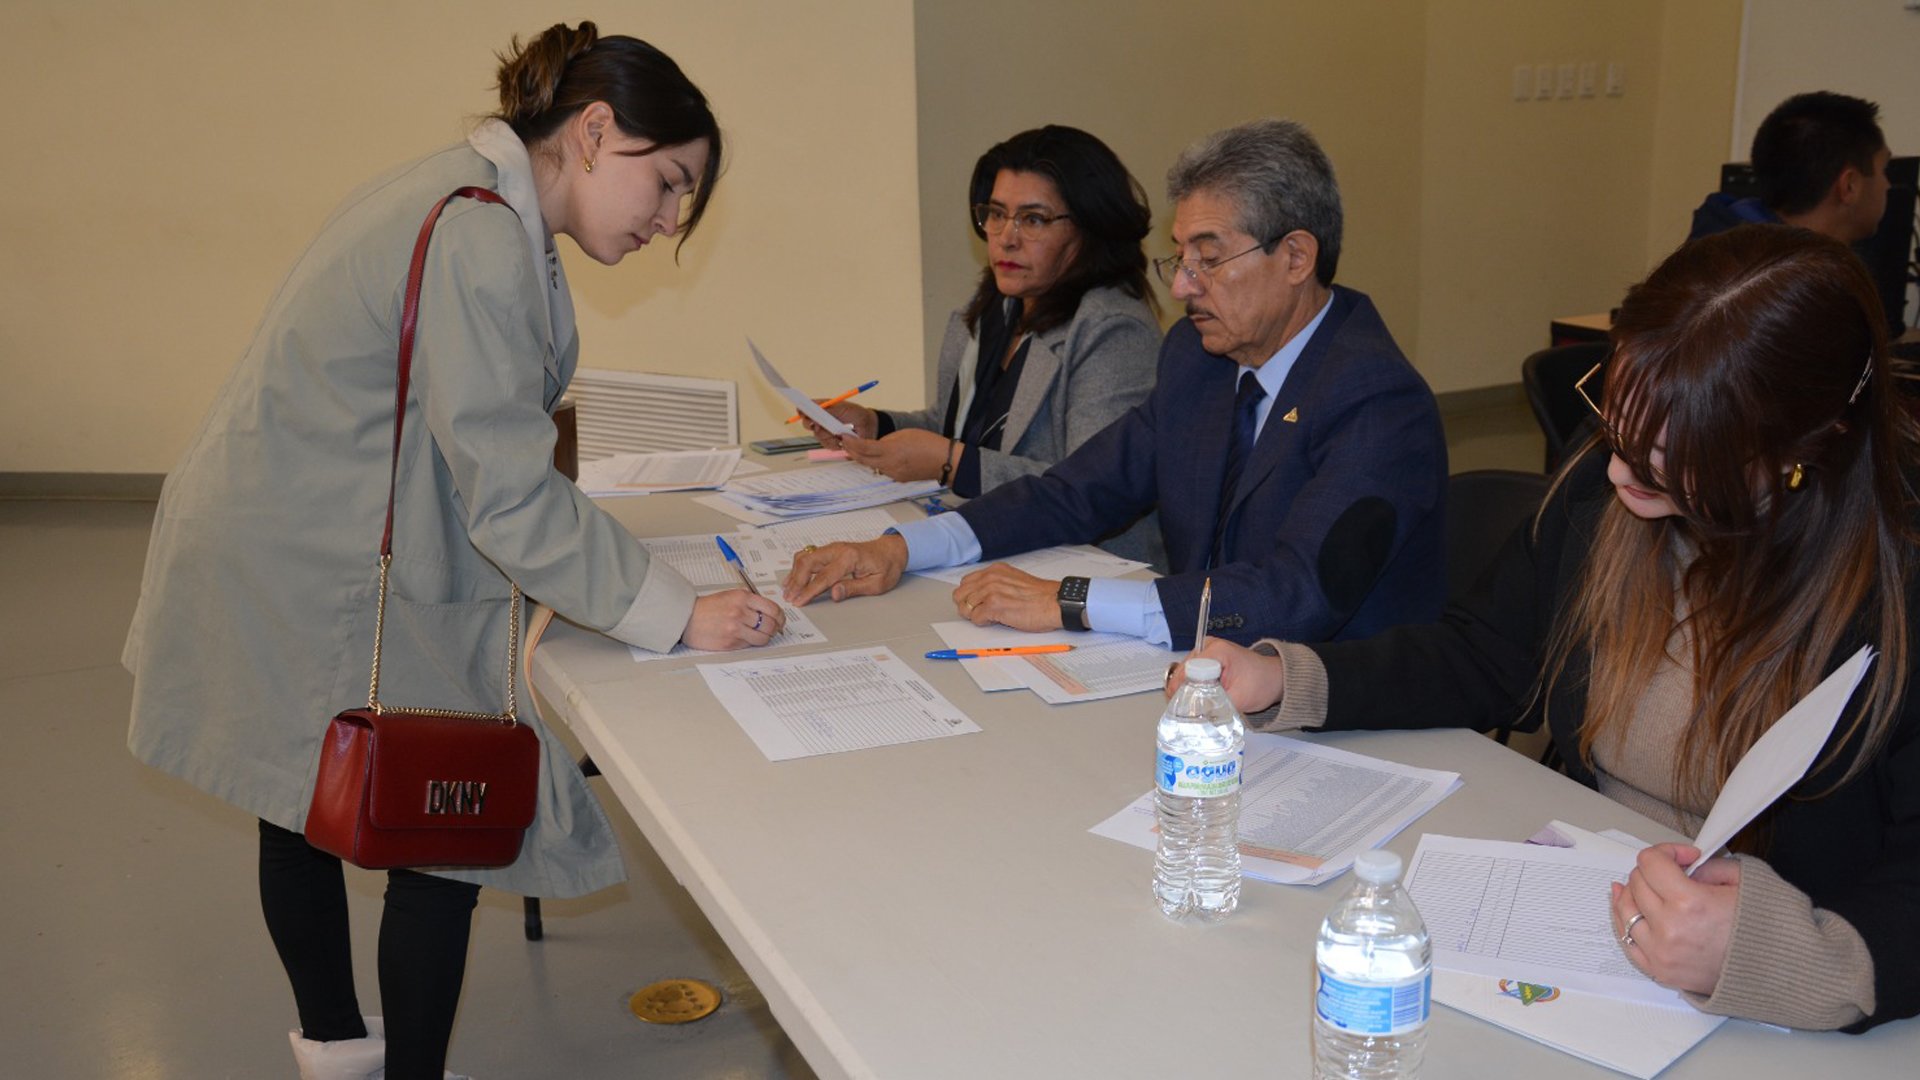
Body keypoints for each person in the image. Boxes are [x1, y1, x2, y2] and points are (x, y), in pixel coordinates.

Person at [122, 23, 784, 1079]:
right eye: (665, 186)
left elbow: (487, 449)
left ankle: (337, 1050)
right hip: (295, 548)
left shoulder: (471, 201)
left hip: (283, 527)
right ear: (594, 131)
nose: (668, 222)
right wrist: (677, 610)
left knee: (305, 795)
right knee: (439, 818)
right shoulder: (478, 230)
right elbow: (511, 495)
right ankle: (378, 1064)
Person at [1190, 225, 1920, 1032]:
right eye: (1618, 421)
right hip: (1588, 923)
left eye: (1672, 454)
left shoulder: (1898, 595)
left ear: (1799, 452)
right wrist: (1288, 679)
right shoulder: (1609, 490)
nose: (1617, 469)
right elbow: (1489, 652)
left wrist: (1790, 957)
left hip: (1771, 1000)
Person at [785, 118, 1446, 650]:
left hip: (1331, 709)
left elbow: (1296, 592)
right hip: (1194, 666)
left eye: (1209, 259)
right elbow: (1074, 492)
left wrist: (1069, 601)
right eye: (1180, 258)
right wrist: (900, 548)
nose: (1183, 287)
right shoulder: (1199, 355)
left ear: (1297, 257)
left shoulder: (1376, 399)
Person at [804, 125, 1163, 563]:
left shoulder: (1113, 329)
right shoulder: (995, 308)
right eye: (995, 213)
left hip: (1082, 564)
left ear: (1090, 228)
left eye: (1033, 219)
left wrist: (952, 463)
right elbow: (957, 426)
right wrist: (877, 425)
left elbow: (1091, 489)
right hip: (984, 542)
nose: (1006, 237)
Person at [1689, 91, 1891, 245]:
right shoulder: (1788, 289)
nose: (1887, 185)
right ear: (1850, 185)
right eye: (1884, 169)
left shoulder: (1719, 252)